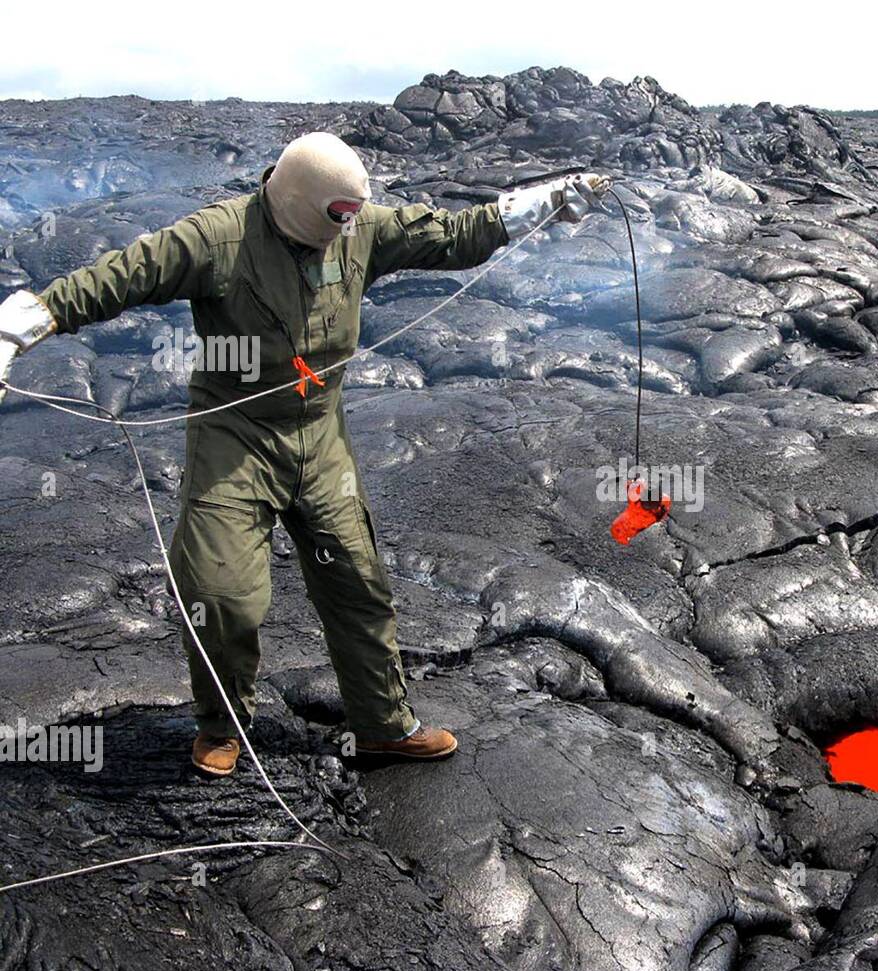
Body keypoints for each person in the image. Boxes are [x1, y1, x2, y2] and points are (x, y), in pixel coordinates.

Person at [0, 131, 608, 776]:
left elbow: (454, 235)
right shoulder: (215, 238)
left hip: (320, 439)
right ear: (294, 202)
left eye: (353, 218)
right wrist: (14, 330)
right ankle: (222, 726)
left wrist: (545, 202)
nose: (346, 231)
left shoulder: (359, 228)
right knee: (220, 591)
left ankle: (382, 727)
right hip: (234, 436)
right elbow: (111, 278)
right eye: (334, 219)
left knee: (357, 583)